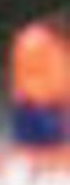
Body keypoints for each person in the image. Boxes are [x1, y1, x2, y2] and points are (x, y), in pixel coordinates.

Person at [7, 8, 70, 149]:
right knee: (38, 151)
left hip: (53, 108)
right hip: (37, 107)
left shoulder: (59, 42)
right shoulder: (35, 40)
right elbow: (31, 78)